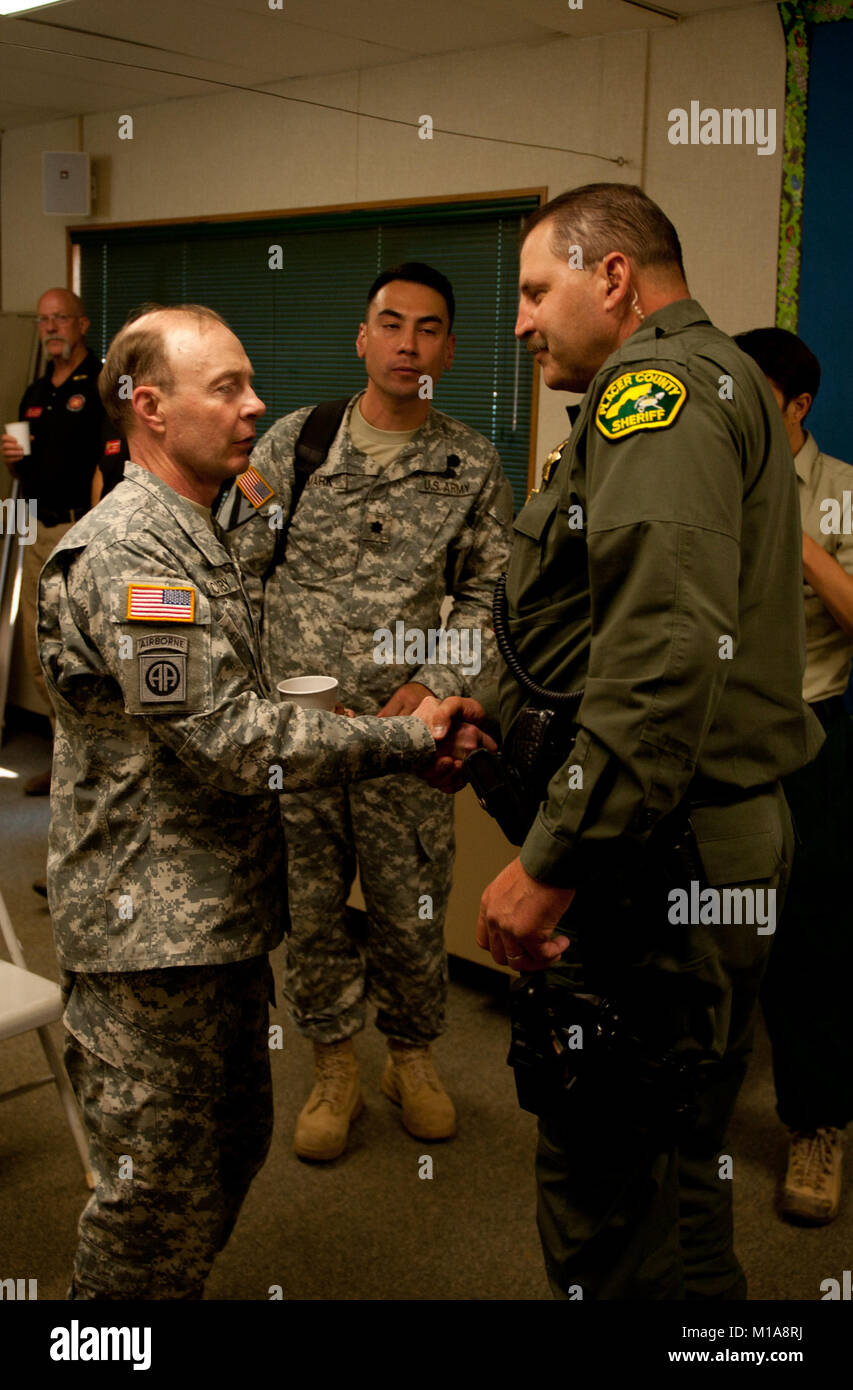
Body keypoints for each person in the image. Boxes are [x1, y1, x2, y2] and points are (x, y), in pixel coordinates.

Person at [37, 302, 491, 1300]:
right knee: (150, 1198)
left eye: (251, 383)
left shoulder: (194, 530)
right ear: (150, 408)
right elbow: (230, 737)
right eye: (228, 388)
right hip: (147, 942)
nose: (256, 405)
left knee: (220, 1156)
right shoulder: (135, 560)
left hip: (214, 924)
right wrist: (406, 738)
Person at [474, 183, 824, 1300]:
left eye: (537, 289)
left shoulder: (655, 392)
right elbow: (590, 634)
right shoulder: (698, 382)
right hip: (677, 840)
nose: (521, 320)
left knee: (613, 1194)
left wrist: (551, 862)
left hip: (657, 853)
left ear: (611, 276)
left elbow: (664, 659)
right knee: (671, 1173)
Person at [219, 263, 512, 1160]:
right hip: (300, 736)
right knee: (308, 905)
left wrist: (431, 683)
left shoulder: (471, 463)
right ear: (362, 337)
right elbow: (237, 564)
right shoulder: (294, 444)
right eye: (389, 323)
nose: (406, 343)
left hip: (403, 737)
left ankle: (412, 1059)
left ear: (449, 351)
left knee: (411, 905)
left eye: (428, 329)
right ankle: (334, 1063)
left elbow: (489, 595)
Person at [735, 327, 853, 1225]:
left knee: (808, 941)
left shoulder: (844, 492)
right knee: (709, 927)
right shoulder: (709, 479)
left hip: (811, 733)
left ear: (797, 405)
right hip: (714, 734)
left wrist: (791, 527)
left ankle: (817, 1126)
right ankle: (689, 1115)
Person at [1, 288, 116, 796]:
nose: (50, 328)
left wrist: (93, 533)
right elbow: (29, 470)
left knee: (80, 648)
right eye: (44, 320)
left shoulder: (101, 385)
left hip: (80, 530)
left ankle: (98, 767)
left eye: (60, 319)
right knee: (37, 647)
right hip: (35, 527)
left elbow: (109, 461)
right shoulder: (34, 392)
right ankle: (61, 760)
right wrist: (13, 459)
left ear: (82, 324)